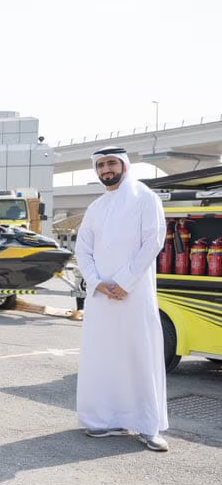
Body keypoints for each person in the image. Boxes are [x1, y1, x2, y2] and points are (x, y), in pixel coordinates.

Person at [75, 146, 168, 451]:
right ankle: (103, 420)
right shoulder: (96, 207)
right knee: (102, 357)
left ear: (125, 165)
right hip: (101, 297)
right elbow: (83, 250)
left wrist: (125, 282)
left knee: (140, 354)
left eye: (111, 163)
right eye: (100, 165)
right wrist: (98, 282)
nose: (106, 170)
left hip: (135, 294)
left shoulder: (145, 198)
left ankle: (148, 426)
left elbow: (152, 242)